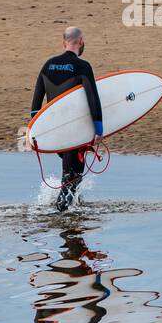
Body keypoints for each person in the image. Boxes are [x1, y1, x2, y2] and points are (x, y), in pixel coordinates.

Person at [29, 26, 103, 211]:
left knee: (71, 177)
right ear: (81, 42)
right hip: (74, 132)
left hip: (55, 133)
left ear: (64, 43)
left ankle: (72, 210)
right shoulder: (83, 67)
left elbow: (36, 102)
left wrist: (34, 134)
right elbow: (93, 99)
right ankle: (61, 218)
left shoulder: (48, 65)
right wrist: (98, 129)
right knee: (72, 178)